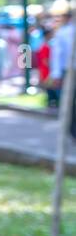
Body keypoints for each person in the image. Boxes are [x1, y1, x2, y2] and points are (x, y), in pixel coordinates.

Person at [48, 11, 76, 140]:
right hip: (69, 72)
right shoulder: (64, 33)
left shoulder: (64, 33)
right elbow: (57, 55)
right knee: (70, 102)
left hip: (68, 72)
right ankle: (72, 130)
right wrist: (57, 74)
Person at [36, 24, 56, 109]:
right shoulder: (45, 46)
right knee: (50, 87)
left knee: (50, 87)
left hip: (45, 69)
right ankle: (51, 102)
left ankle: (51, 101)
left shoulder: (45, 45)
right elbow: (45, 61)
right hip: (46, 70)